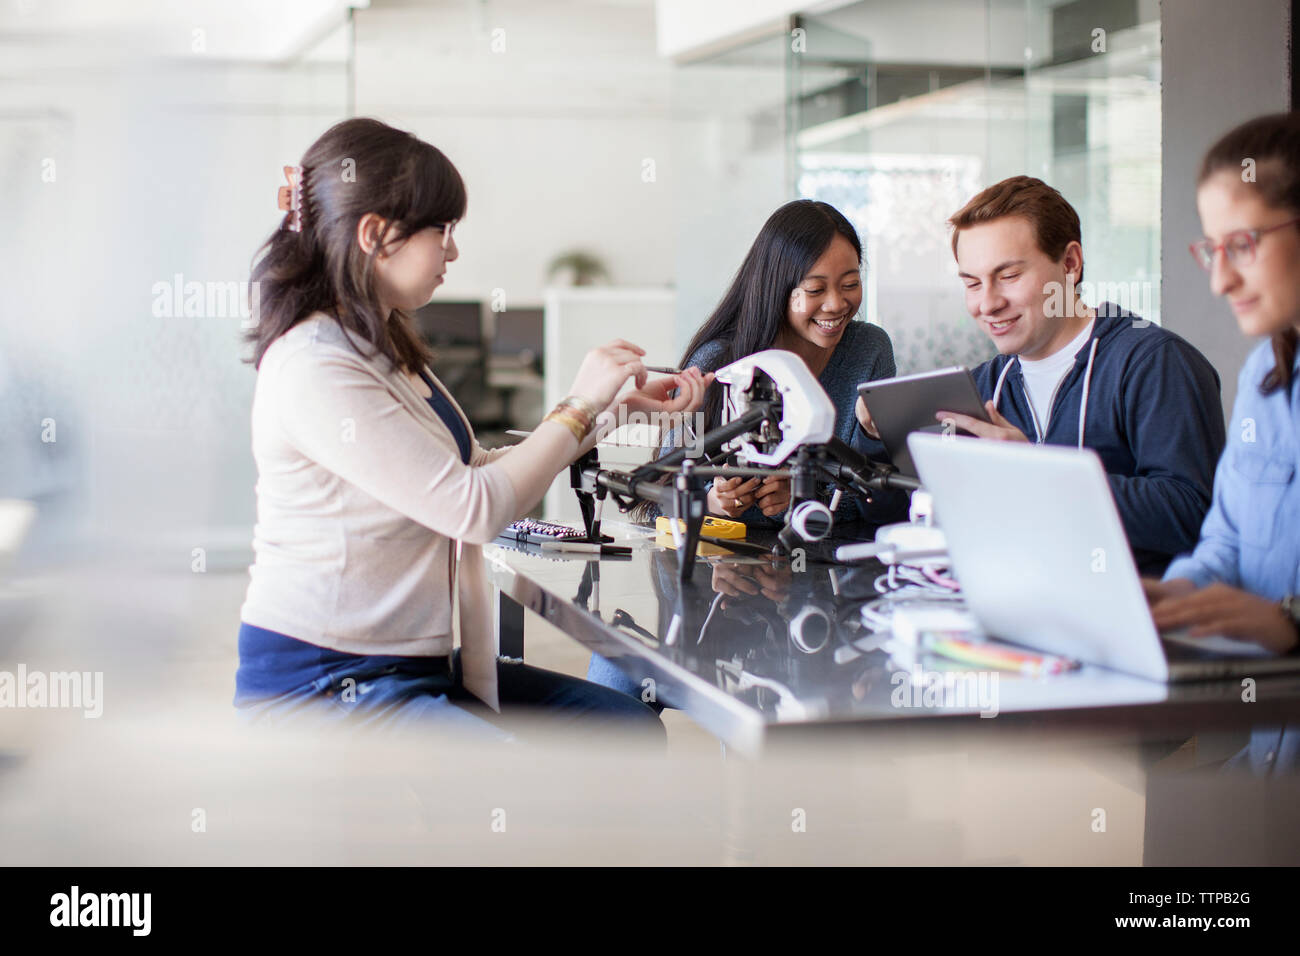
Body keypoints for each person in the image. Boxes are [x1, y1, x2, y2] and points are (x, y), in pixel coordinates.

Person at [233, 117, 711, 744]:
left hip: (410, 666)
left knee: (623, 729)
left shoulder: (379, 345)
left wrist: (617, 412)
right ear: (376, 234)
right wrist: (579, 399)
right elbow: (472, 508)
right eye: (443, 231)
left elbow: (477, 470)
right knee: (508, 785)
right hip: (326, 678)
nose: (453, 252)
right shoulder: (315, 365)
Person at [588, 198, 906, 703]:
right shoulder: (720, 362)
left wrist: (809, 501)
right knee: (621, 664)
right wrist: (711, 504)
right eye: (816, 289)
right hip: (719, 598)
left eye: (850, 284)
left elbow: (887, 494)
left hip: (824, 590)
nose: (837, 304)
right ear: (780, 289)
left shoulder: (869, 350)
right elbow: (654, 499)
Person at [858, 175, 1226, 576]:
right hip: (1010, 611)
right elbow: (889, 512)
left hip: (1125, 621)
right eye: (972, 283)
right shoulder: (984, 388)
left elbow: (1192, 514)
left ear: (1070, 264)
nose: (988, 303)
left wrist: (1035, 471)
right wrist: (876, 437)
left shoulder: (1154, 363)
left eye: (1009, 276)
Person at [1144, 113, 1300, 774]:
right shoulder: (1266, 379)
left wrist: (1291, 625)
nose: (1220, 281)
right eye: (1211, 250)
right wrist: (1176, 597)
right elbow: (1229, 542)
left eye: (1242, 244)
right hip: (1269, 761)